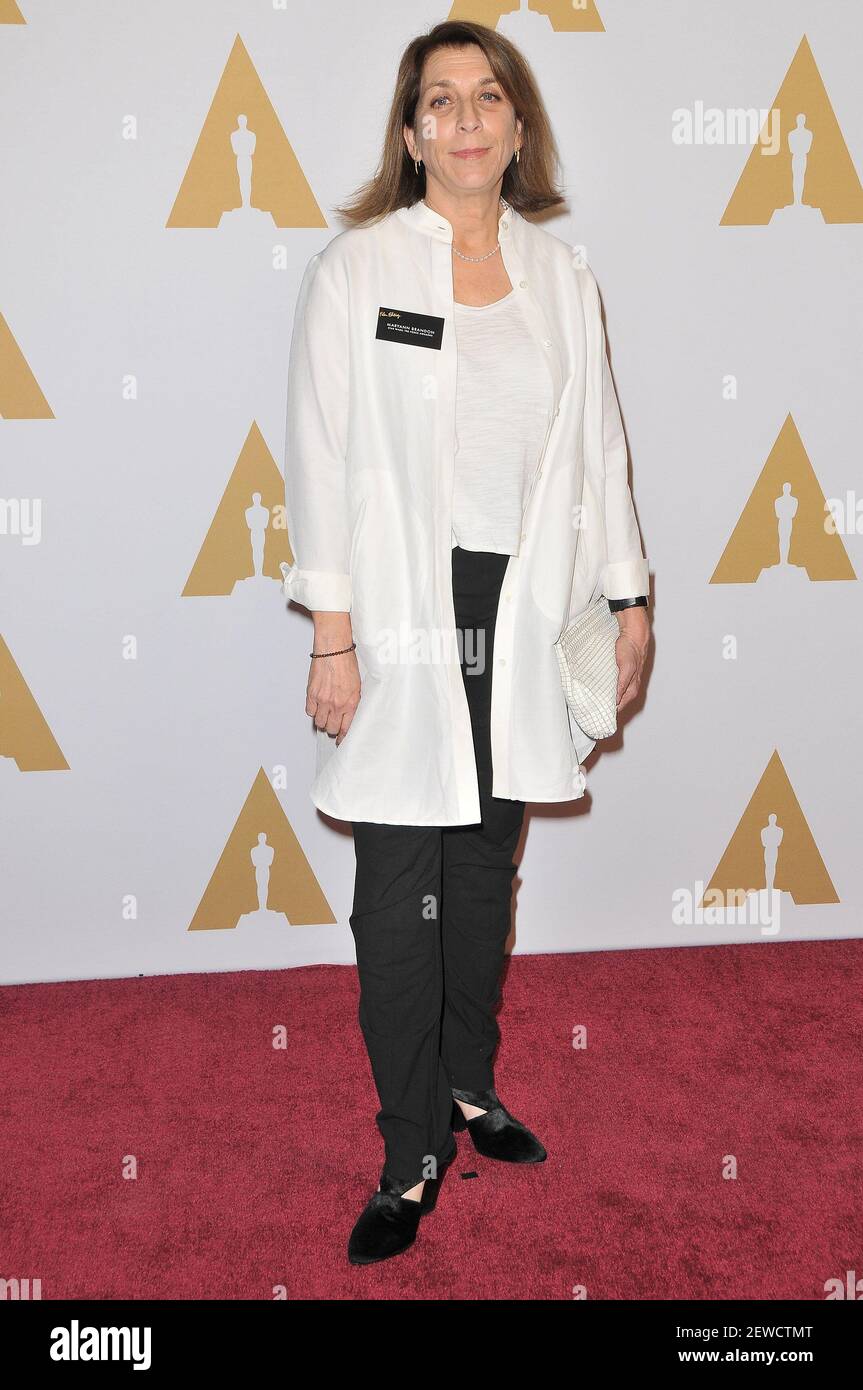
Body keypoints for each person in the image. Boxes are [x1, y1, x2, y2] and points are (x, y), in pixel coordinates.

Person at [280, 19, 651, 1266]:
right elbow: (320, 460)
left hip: (523, 602)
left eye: (486, 96)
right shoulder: (357, 270)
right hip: (398, 609)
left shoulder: (563, 278)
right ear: (409, 133)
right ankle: (407, 1151)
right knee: (397, 889)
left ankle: (468, 1088)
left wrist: (627, 593)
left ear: (517, 124)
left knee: (485, 862)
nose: (467, 119)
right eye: (439, 101)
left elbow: (598, 449)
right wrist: (333, 635)